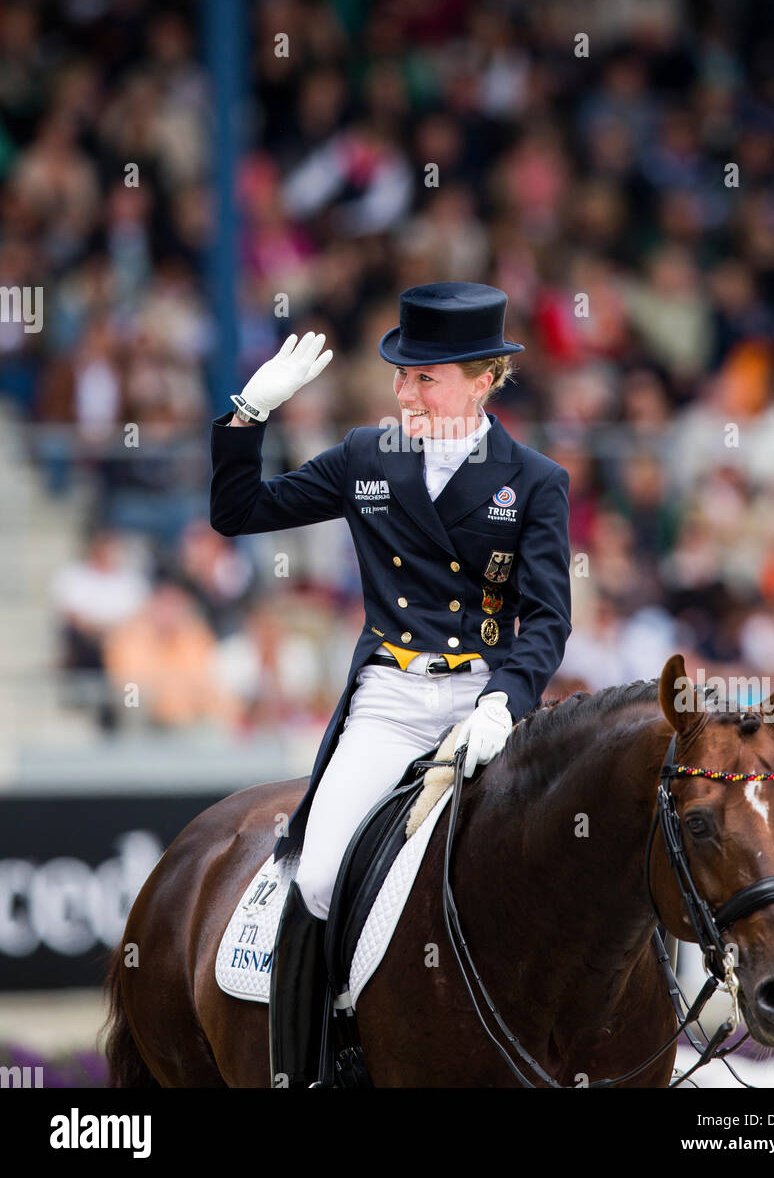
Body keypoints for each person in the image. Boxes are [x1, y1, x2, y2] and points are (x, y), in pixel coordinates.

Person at [210, 281, 573, 1085]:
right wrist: (248, 411)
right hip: (392, 700)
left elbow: (546, 620)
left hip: (484, 705)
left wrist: (504, 703)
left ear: (483, 381)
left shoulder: (535, 481)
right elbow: (239, 512)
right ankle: (304, 1069)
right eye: (402, 376)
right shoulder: (366, 456)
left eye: (426, 378)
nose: (405, 392)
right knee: (317, 874)